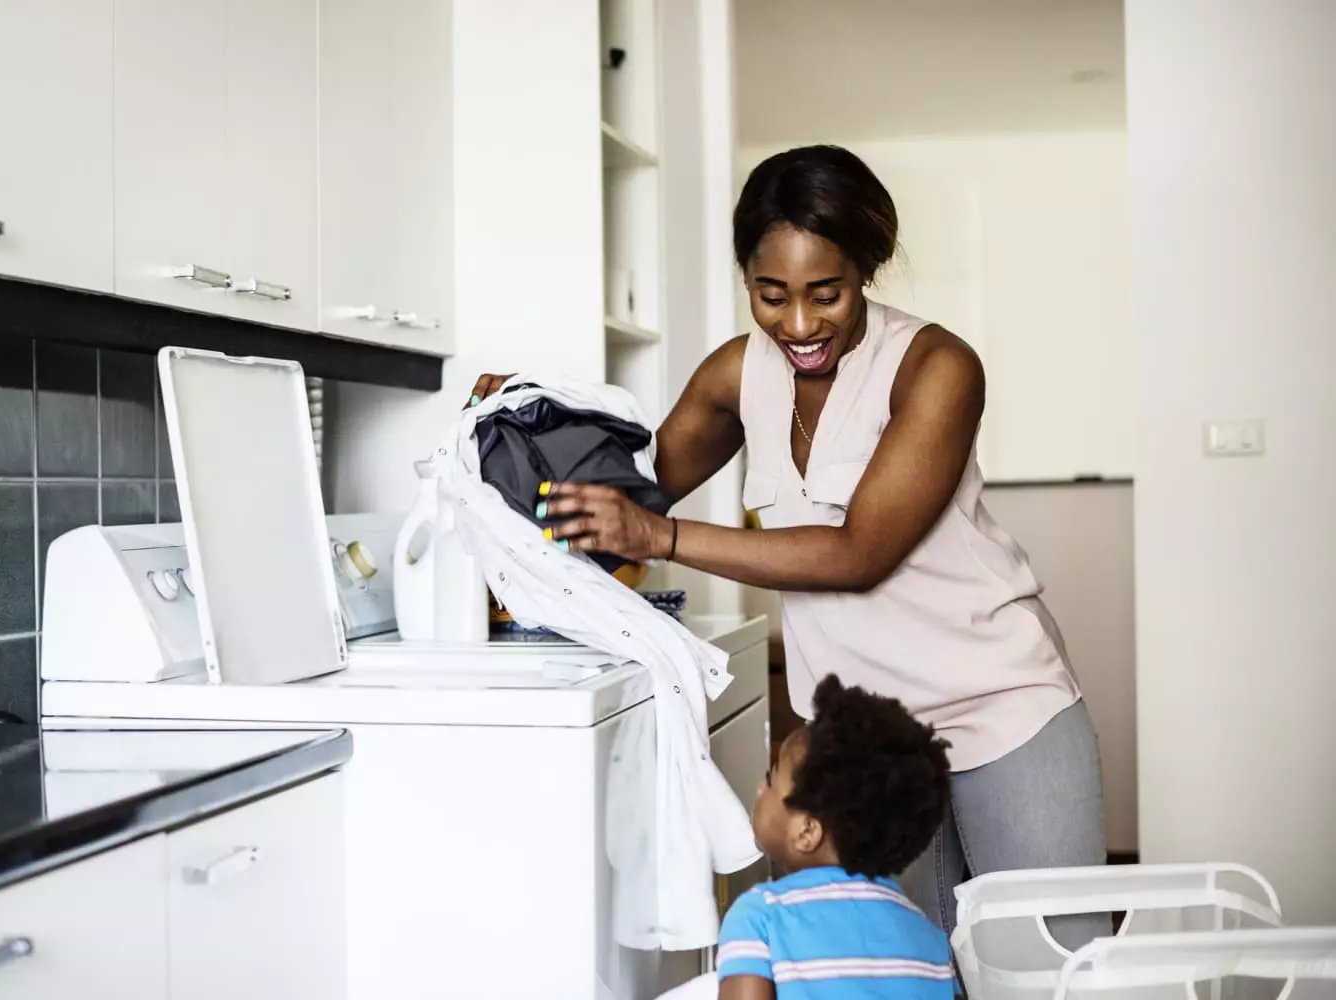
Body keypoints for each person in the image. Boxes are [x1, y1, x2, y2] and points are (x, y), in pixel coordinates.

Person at [469, 144, 1107, 945]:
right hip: (862, 743)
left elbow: (859, 553)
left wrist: (661, 537)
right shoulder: (736, 376)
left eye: (825, 294)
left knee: (1051, 969)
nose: (799, 325)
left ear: (867, 267)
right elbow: (627, 492)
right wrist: (528, 414)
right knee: (890, 982)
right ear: (746, 279)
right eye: (771, 296)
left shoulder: (938, 368)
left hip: (1002, 710)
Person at [716, 676, 953, 999]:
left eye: (771, 780)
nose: (760, 788)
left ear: (807, 831)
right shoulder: (930, 938)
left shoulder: (760, 916)